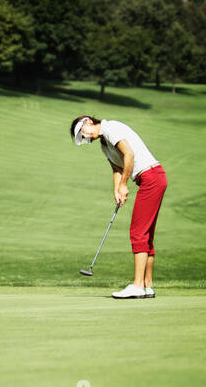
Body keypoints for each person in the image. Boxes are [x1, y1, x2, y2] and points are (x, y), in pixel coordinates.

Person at [70, 114, 168, 299]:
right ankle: (148, 286)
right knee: (146, 235)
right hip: (151, 178)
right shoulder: (104, 144)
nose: (86, 138)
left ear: (89, 122)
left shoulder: (110, 128)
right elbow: (117, 168)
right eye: (83, 138)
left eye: (83, 133)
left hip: (151, 177)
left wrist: (124, 184)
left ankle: (137, 285)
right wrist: (117, 190)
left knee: (138, 232)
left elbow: (129, 154)